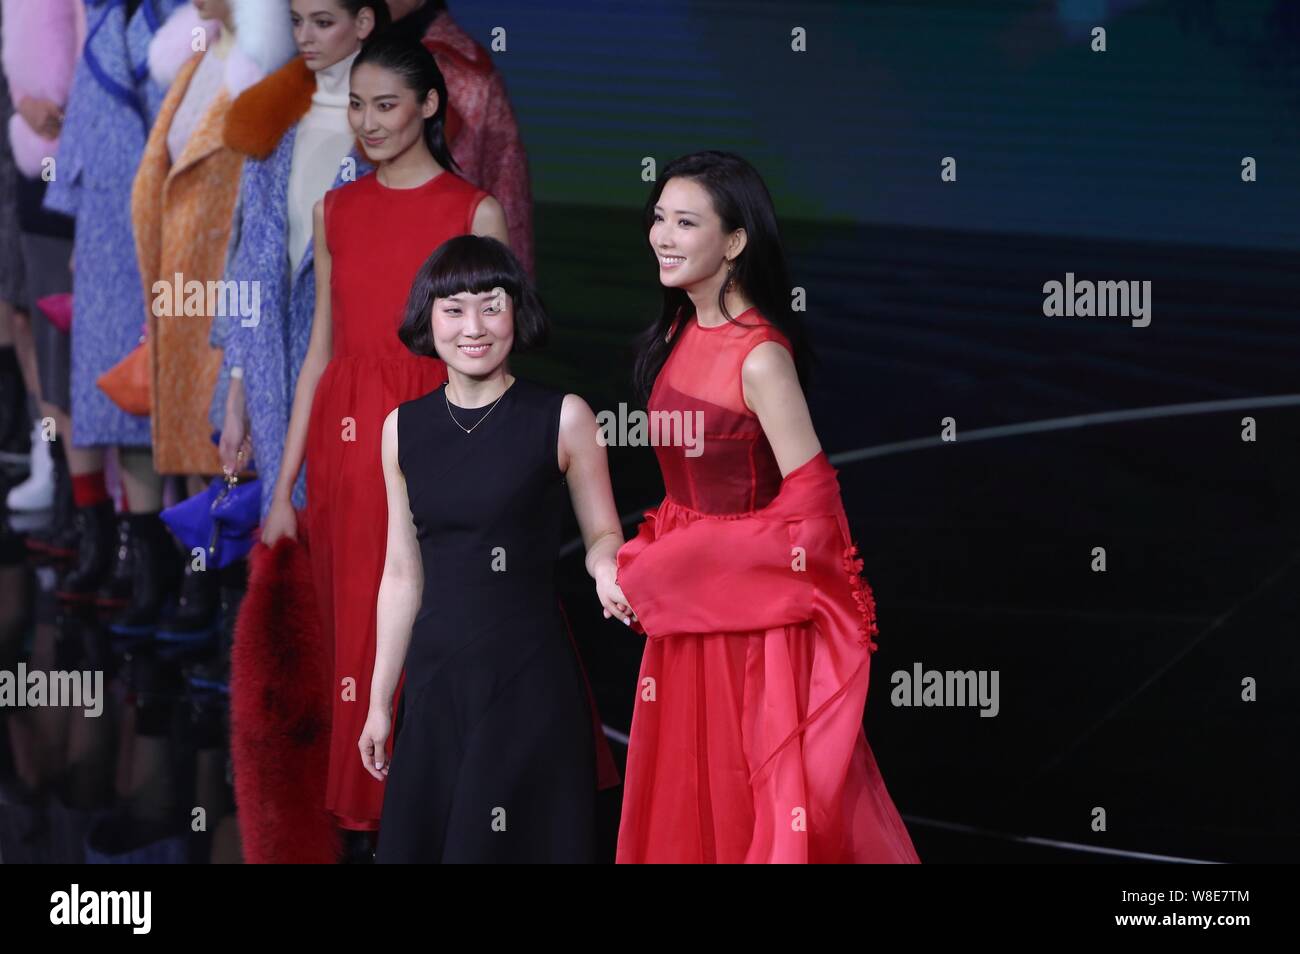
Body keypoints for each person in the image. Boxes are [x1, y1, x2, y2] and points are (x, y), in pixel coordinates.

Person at [613, 151, 921, 864]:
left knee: (754, 794)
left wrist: (678, 565)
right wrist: (652, 554)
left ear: (736, 240)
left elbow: (813, 512)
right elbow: (686, 484)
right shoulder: (676, 331)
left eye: (685, 222)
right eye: (658, 217)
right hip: (687, 610)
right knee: (692, 794)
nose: (662, 235)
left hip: (747, 625)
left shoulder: (760, 358)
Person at [259, 31, 509, 835]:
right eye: (358, 105)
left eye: (387, 105)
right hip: (344, 443)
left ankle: (441, 801)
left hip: (438, 430)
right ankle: (373, 814)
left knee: (439, 617)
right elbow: (319, 350)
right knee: (356, 628)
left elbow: (494, 349)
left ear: (430, 106)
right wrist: (282, 488)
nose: (367, 122)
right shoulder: (338, 208)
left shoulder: (473, 211)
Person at [364, 235, 626, 862]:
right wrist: (378, 701)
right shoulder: (401, 428)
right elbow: (402, 573)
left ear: (518, 312)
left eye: (491, 303)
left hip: (526, 681)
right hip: (435, 685)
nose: (473, 326)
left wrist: (607, 566)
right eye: (454, 308)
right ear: (429, 318)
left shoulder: (564, 417)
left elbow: (602, 533)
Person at [212, 0, 390, 519]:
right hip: (270, 363)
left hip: (355, 365)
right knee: (281, 527)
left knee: (347, 529)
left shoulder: (389, 129)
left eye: (322, 21)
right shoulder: (271, 118)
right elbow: (249, 260)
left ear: (363, 22)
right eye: (296, 21)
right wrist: (237, 384)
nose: (305, 36)